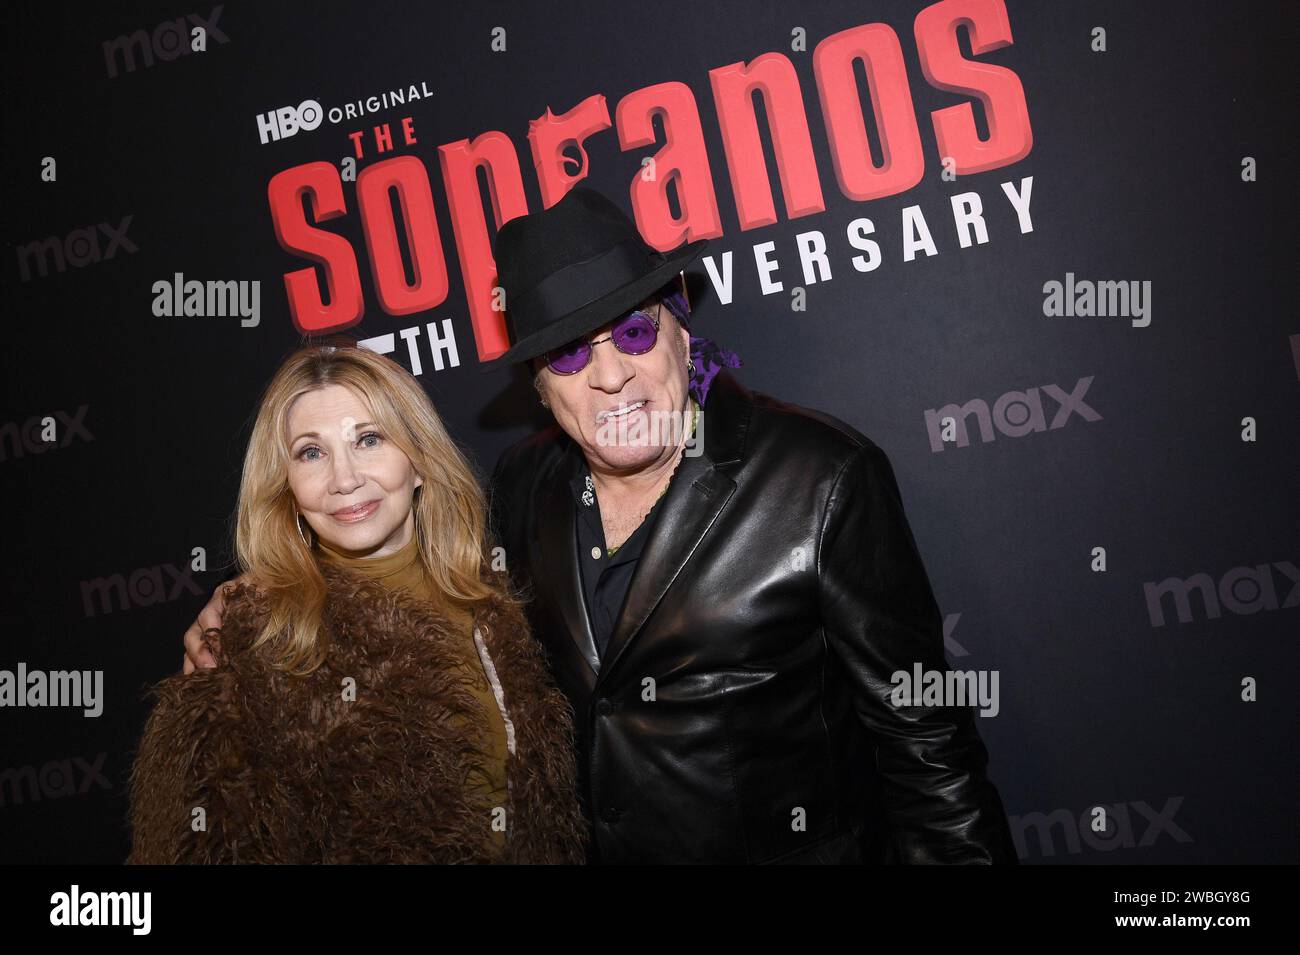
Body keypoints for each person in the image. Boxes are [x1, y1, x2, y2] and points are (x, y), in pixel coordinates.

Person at [186, 186, 1018, 865]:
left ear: (682, 327)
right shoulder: (526, 486)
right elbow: (408, 567)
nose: (613, 377)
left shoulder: (820, 479)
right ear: (539, 388)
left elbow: (930, 754)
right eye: (572, 356)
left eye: (632, 332)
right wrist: (261, 592)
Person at [133, 342, 584, 863]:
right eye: (311, 452)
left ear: (419, 461)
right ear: (286, 486)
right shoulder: (253, 640)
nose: (344, 479)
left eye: (368, 439)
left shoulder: (493, 591)